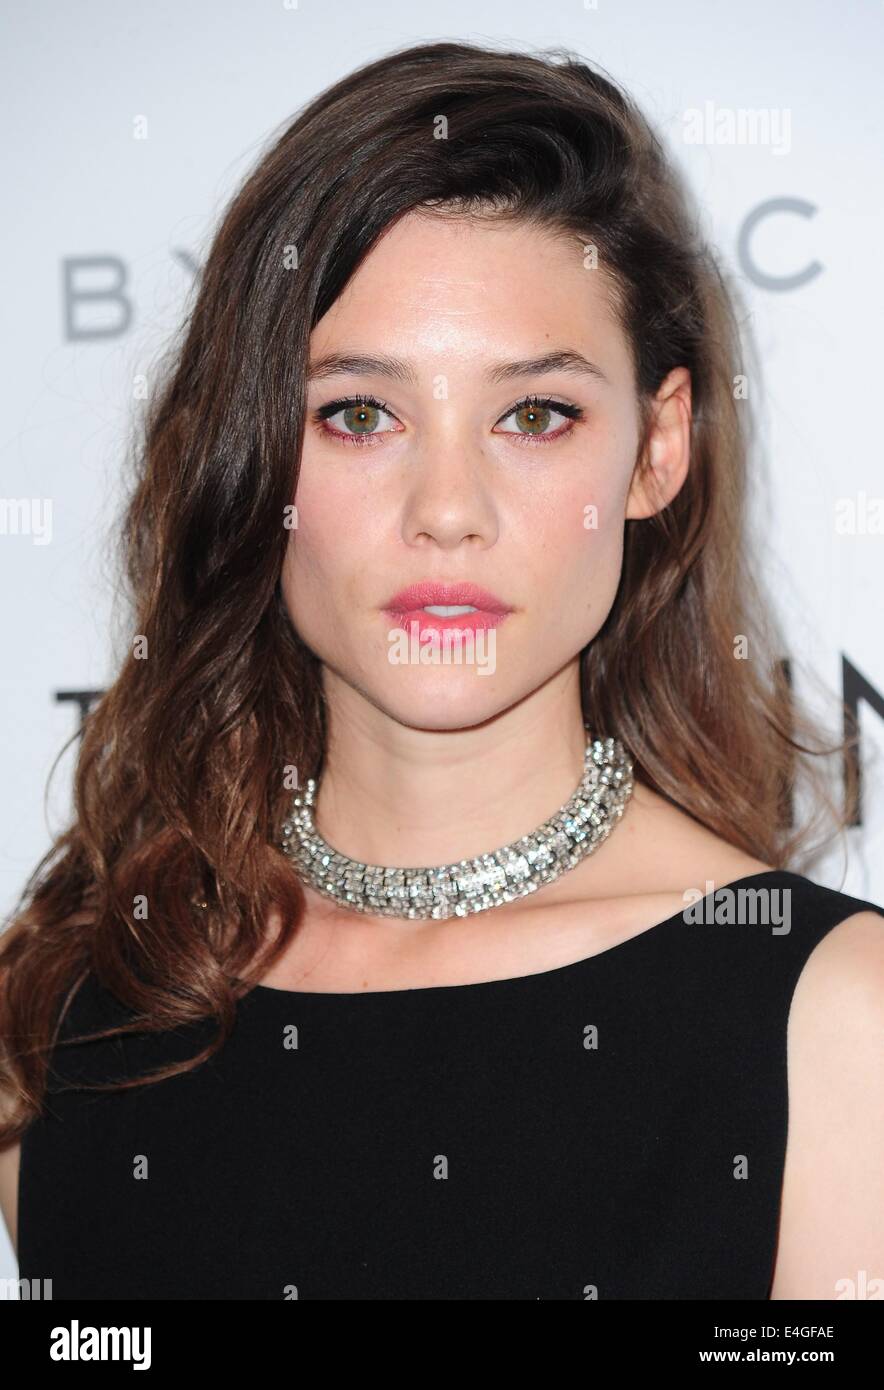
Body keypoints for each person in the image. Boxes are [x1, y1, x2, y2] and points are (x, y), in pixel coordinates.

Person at [1, 40, 882, 1301]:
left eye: (534, 414)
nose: (447, 509)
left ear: (657, 448)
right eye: (359, 412)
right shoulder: (70, 1012)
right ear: (254, 453)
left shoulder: (835, 1028)